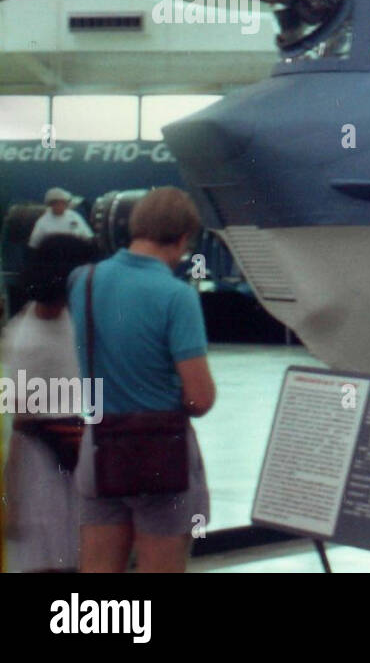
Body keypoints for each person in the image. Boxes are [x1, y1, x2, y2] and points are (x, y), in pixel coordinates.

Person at [68, 186, 217, 573]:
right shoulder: (176, 296)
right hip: (160, 457)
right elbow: (200, 399)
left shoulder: (82, 281)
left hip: (99, 448)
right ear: (183, 239)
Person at [1, 235, 99, 572]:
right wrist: (12, 501)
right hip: (40, 465)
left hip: (71, 456)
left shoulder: (71, 321)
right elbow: (20, 426)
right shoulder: (25, 340)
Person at [28, 187, 93, 248]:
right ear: (50, 204)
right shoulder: (42, 222)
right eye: (56, 203)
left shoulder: (75, 217)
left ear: (66, 204)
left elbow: (88, 237)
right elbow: (33, 245)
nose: (60, 206)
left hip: (75, 255)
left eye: (62, 203)